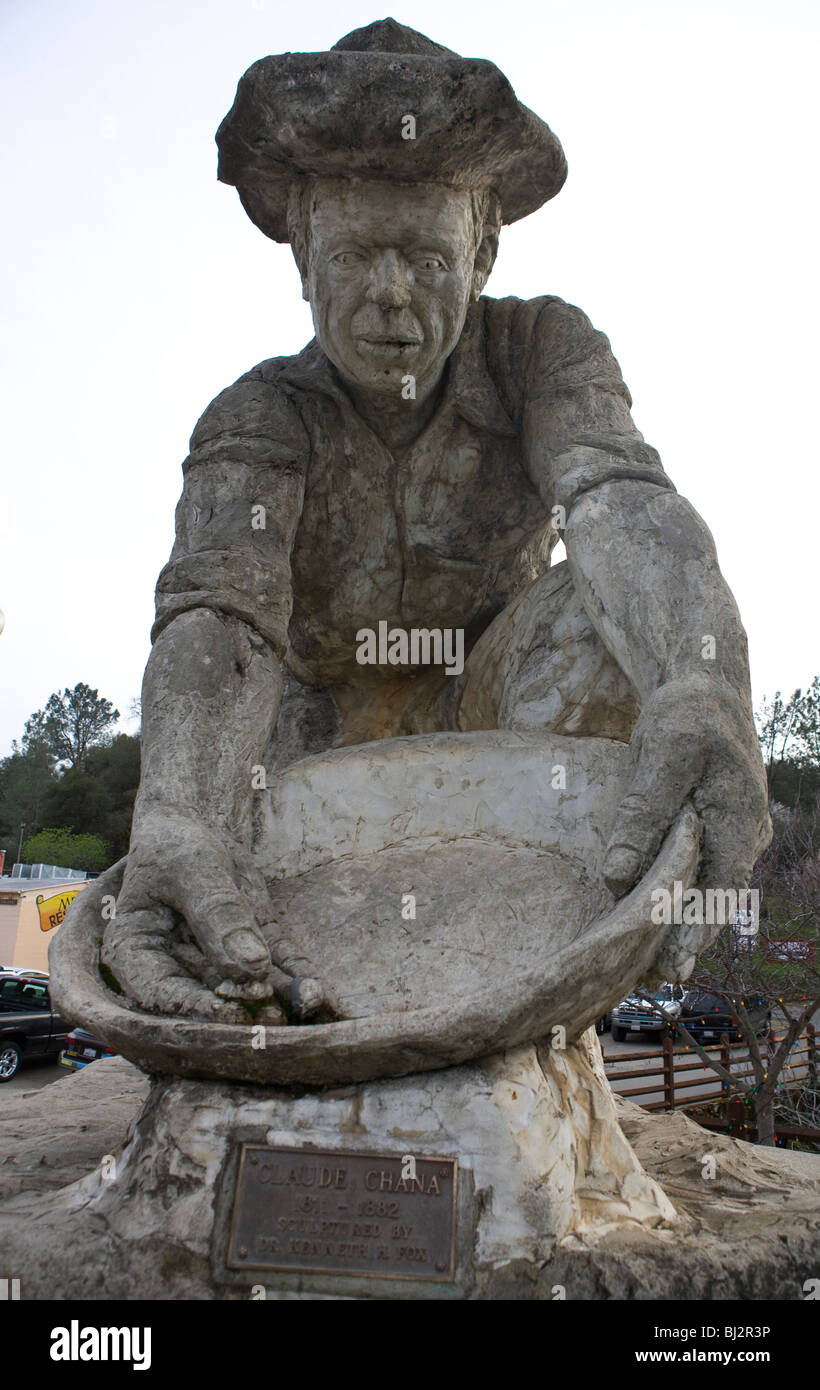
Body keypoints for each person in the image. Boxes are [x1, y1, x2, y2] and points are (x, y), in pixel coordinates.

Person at [102, 20, 770, 1023]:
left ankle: (530, 975)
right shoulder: (259, 414)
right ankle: (282, 984)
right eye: (358, 254)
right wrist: (177, 808)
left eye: (425, 256)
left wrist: (702, 679)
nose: (389, 298)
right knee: (209, 769)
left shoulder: (539, 350)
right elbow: (218, 613)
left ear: (485, 248)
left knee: (605, 626)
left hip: (492, 720)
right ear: (303, 253)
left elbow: (618, 500)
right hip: (310, 747)